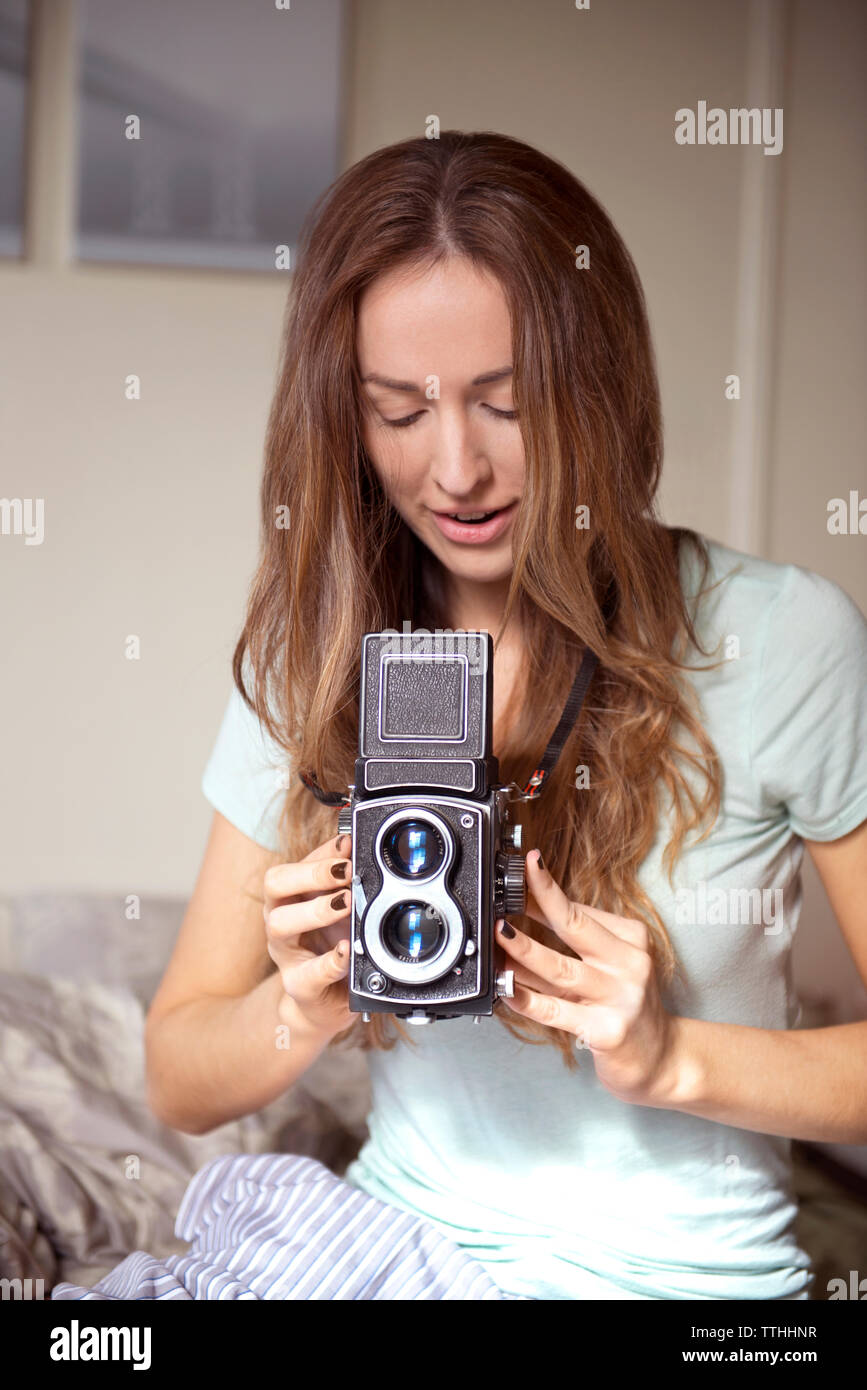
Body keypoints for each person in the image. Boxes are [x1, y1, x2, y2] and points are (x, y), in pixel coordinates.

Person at [53, 131, 867, 1302]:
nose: (456, 471)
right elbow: (179, 1075)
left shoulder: (782, 639)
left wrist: (674, 1057)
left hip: (678, 1285)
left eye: (509, 404)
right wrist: (298, 1009)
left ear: (601, 391)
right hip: (389, 1251)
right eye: (398, 411)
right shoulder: (322, 657)